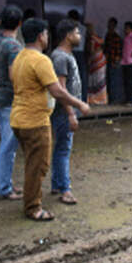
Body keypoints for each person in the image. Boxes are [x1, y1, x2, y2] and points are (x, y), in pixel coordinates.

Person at [10, 18, 90, 221]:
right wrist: (79, 105)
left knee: (32, 163)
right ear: (40, 36)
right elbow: (57, 90)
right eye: (46, 34)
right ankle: (33, 207)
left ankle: (31, 201)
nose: (47, 37)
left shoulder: (20, 57)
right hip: (34, 120)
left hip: (19, 118)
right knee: (38, 166)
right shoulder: (41, 60)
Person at [0, 5, 25, 200]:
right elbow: (14, 75)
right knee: (8, 144)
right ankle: (3, 187)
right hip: (12, 98)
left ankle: (7, 183)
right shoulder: (14, 46)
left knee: (8, 142)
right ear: (19, 23)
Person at [50, 19, 85, 206]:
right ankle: (65, 189)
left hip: (65, 111)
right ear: (68, 35)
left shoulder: (65, 55)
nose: (79, 36)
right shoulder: (61, 57)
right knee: (64, 149)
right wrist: (71, 113)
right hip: (64, 111)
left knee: (61, 148)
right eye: (77, 32)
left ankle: (57, 183)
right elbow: (61, 90)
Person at [84, 22, 108, 105]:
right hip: (101, 58)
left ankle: (94, 99)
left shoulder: (91, 39)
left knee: (94, 80)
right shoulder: (98, 37)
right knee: (101, 80)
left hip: (95, 59)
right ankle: (102, 99)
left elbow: (91, 50)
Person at [103, 18, 123, 104]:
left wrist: (115, 61)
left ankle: (114, 99)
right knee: (109, 81)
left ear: (114, 26)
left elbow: (118, 51)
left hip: (113, 61)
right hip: (107, 60)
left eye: (110, 25)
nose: (109, 26)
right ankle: (110, 98)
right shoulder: (108, 35)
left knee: (113, 81)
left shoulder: (116, 37)